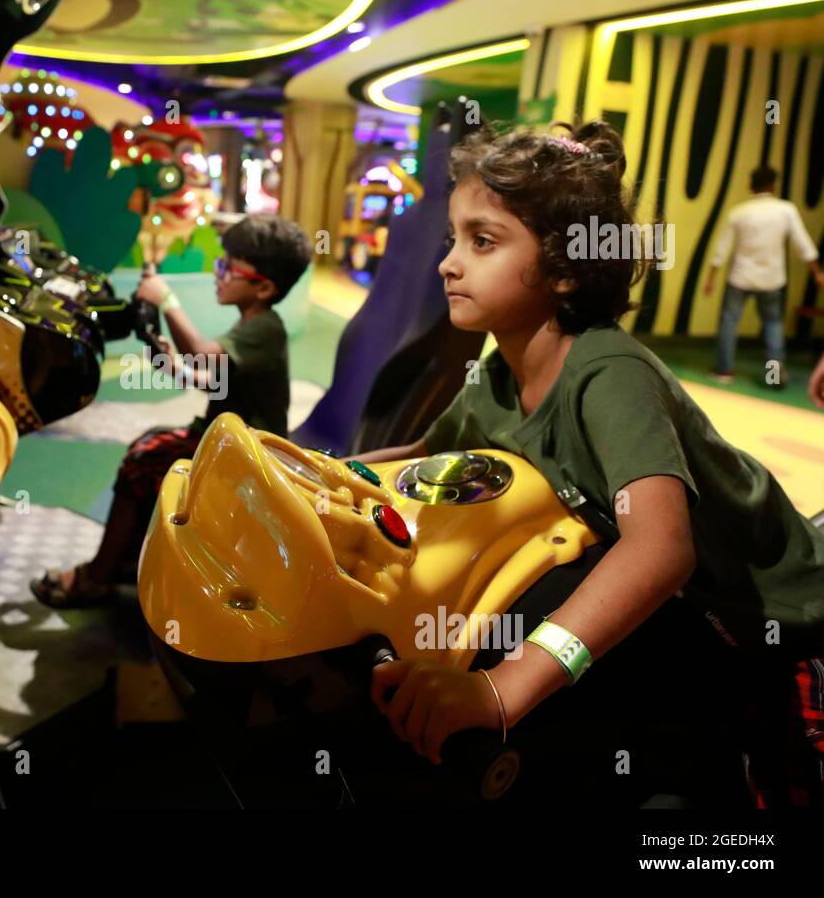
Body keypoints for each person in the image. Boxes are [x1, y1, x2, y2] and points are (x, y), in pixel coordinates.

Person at [353, 122, 824, 806]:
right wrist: (316, 475)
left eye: (481, 242)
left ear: (567, 266)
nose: (448, 263)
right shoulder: (498, 374)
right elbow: (421, 458)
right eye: (455, 238)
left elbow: (660, 553)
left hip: (781, 615)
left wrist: (502, 688)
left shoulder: (608, 372)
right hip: (689, 620)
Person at [32, 216, 310, 607]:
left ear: (263, 287)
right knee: (151, 443)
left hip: (247, 455)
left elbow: (202, 355)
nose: (220, 274)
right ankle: (129, 558)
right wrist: (176, 367)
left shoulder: (265, 329)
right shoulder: (254, 324)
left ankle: (98, 577)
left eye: (229, 268)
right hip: (224, 440)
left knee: (144, 460)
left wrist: (167, 300)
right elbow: (219, 378)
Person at [703, 165, 824, 385]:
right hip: (772, 279)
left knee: (729, 323)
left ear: (752, 184)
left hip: (739, 277)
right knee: (773, 324)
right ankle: (772, 377)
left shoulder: (739, 212)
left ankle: (724, 371)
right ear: (773, 184)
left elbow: (722, 249)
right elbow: (803, 244)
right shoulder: (786, 210)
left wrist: (711, 277)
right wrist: (817, 273)